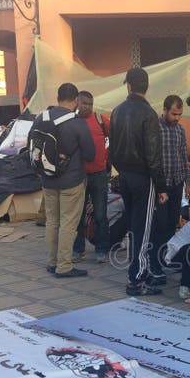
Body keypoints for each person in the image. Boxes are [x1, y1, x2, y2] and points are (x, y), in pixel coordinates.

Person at [109, 67, 169, 296]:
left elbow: (112, 148)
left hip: (124, 175)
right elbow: (154, 156)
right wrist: (161, 187)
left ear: (128, 85)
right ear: (146, 86)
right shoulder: (148, 114)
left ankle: (139, 271)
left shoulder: (117, 111)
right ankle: (136, 278)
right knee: (142, 227)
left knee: (136, 225)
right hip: (143, 178)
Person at [32, 83, 96, 278]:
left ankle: (52, 262)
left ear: (58, 97)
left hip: (48, 179)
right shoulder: (77, 123)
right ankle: (64, 265)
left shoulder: (41, 118)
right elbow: (90, 154)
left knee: (52, 221)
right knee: (68, 223)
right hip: (72, 180)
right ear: (75, 99)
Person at [150, 95, 189, 282]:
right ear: (164, 110)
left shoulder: (180, 130)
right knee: (160, 224)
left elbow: (183, 156)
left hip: (177, 182)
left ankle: (166, 257)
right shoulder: (154, 129)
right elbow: (151, 159)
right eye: (174, 114)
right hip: (161, 185)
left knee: (172, 222)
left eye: (180, 114)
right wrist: (159, 187)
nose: (177, 118)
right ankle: (154, 263)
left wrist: (187, 183)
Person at [72, 90, 111, 264]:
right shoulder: (72, 122)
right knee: (77, 215)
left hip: (99, 175)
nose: (86, 107)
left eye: (89, 104)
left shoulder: (101, 120)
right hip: (78, 176)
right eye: (83, 103)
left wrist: (106, 155)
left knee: (101, 215)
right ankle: (77, 249)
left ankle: (101, 250)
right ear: (77, 102)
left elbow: (115, 138)